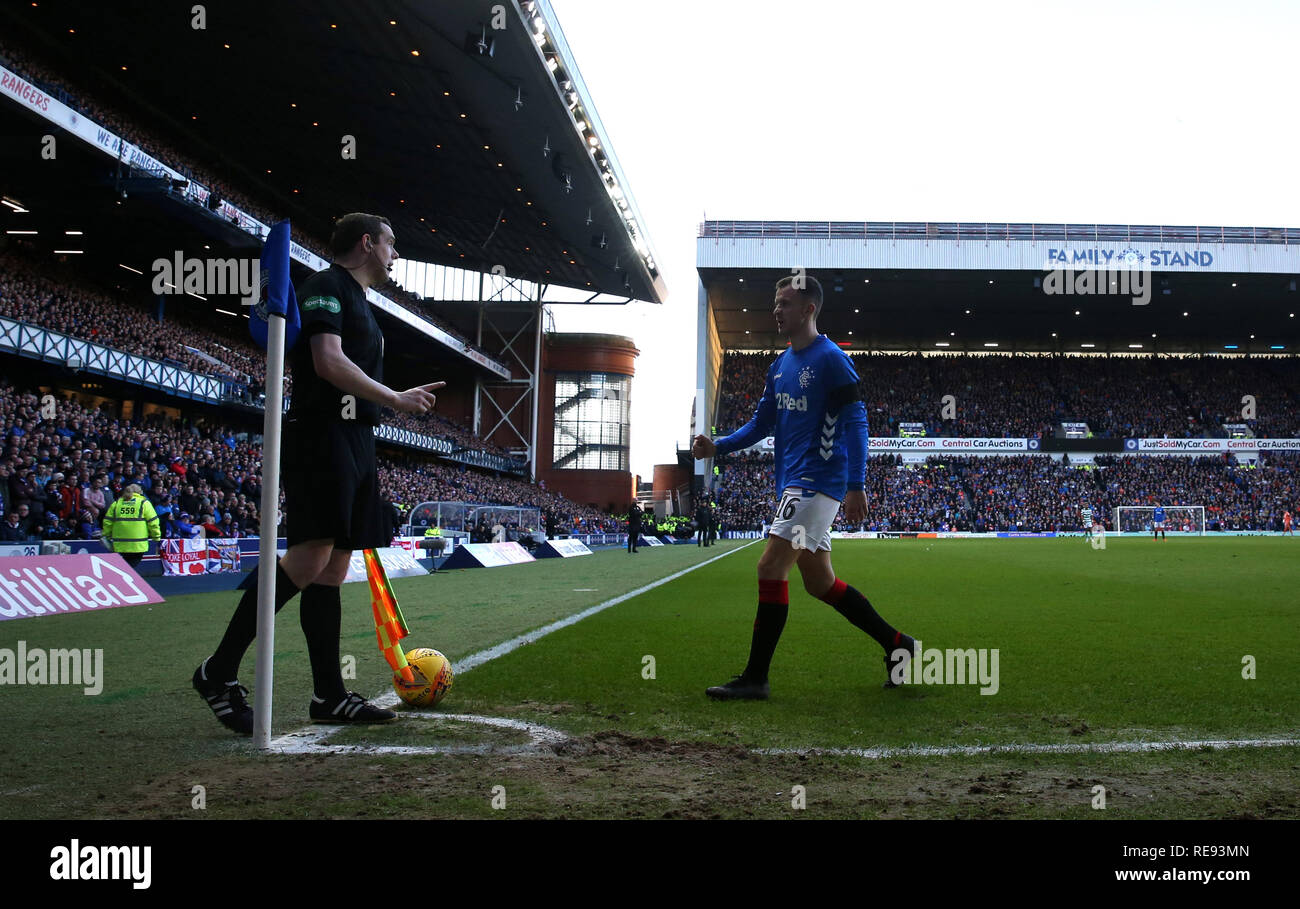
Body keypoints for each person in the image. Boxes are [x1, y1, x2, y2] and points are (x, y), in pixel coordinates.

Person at [193, 212, 445, 734]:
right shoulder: (325, 287)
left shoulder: (364, 305)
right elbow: (328, 362)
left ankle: (329, 696)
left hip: (356, 439)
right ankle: (216, 672)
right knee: (308, 559)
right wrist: (395, 398)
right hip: (322, 435)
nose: (396, 254)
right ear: (367, 242)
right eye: (392, 242)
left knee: (332, 569)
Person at [691, 274, 914, 700]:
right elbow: (761, 423)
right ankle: (898, 645)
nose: (776, 310)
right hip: (794, 482)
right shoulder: (780, 365)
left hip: (816, 483)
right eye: (775, 303)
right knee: (820, 583)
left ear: (809, 309)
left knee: (770, 567)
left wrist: (856, 485)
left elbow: (856, 421)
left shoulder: (831, 359)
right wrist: (717, 446)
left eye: (785, 303)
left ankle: (756, 678)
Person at [102, 483, 160, 568]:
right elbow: (153, 522)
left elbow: (107, 522)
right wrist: (156, 537)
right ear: (139, 492)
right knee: (131, 564)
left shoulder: (117, 503)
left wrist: (106, 535)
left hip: (120, 543)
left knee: (125, 564)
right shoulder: (144, 503)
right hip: (138, 544)